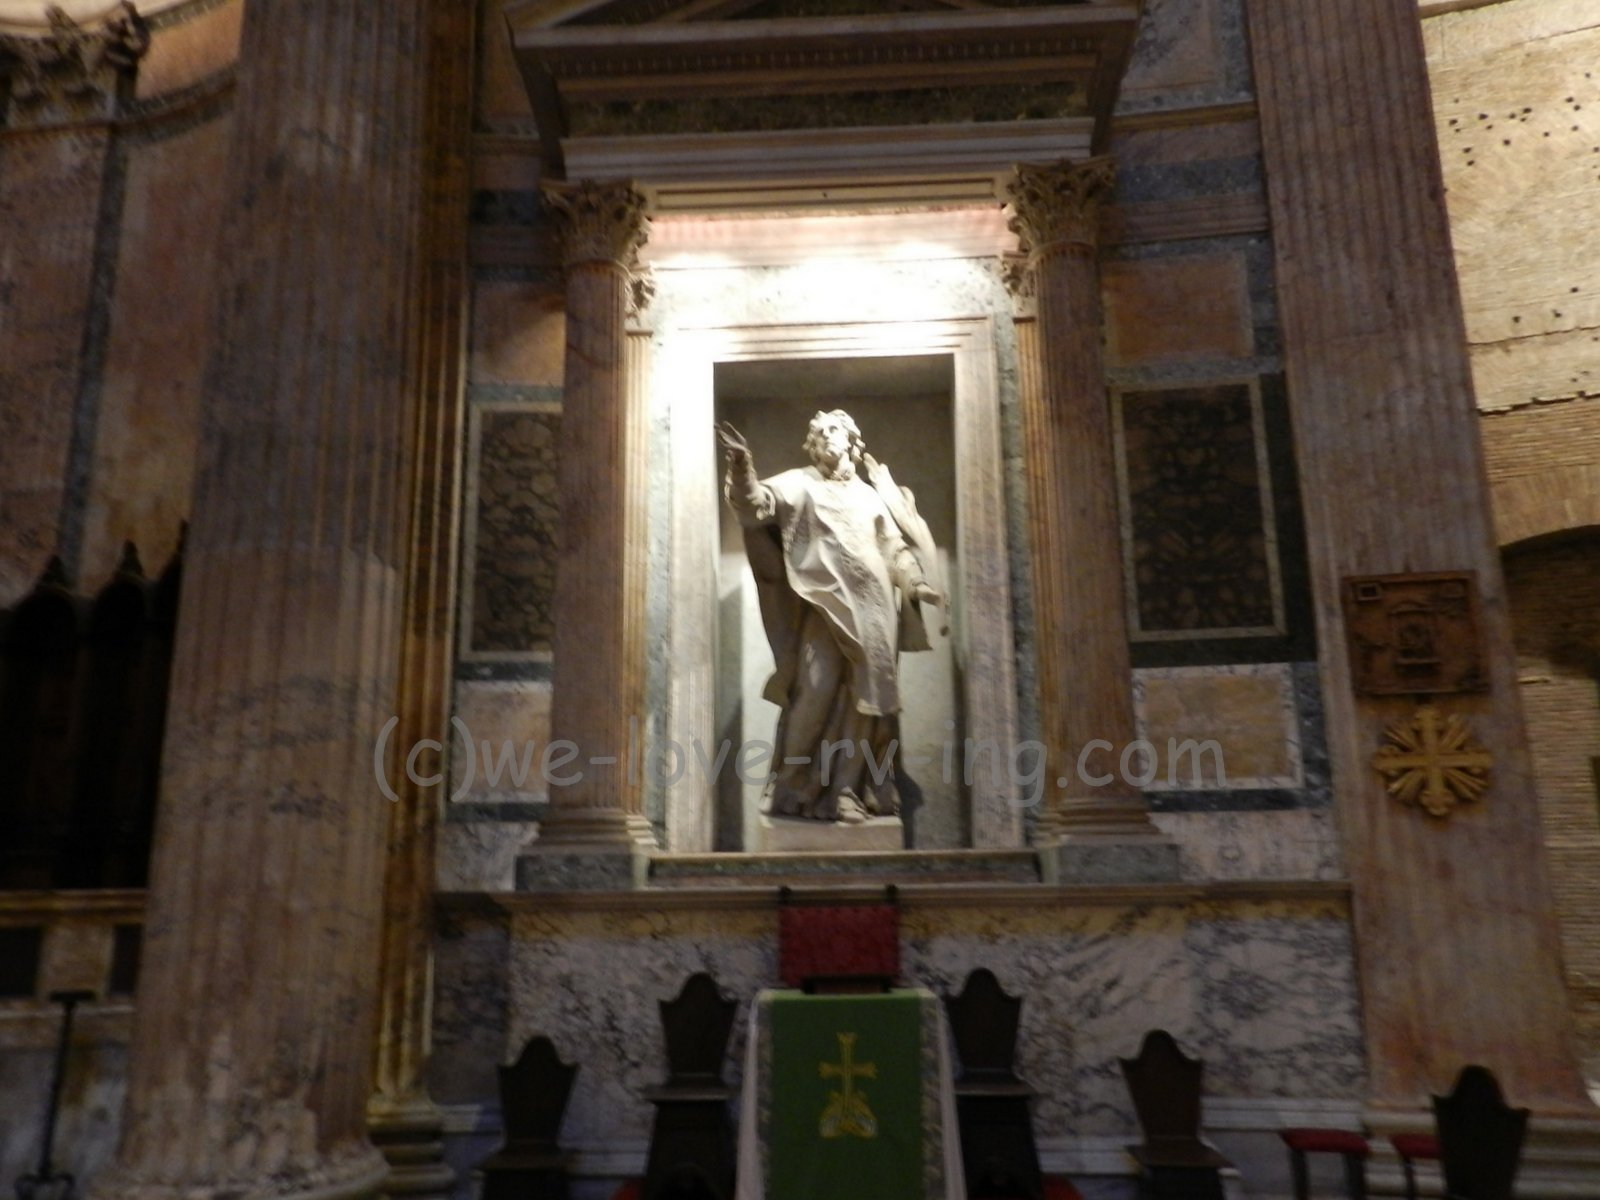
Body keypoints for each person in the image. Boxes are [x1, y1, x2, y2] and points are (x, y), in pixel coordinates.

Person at [718, 409, 943, 823]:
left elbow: (894, 550)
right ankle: (790, 782)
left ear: (852, 440)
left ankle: (847, 791)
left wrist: (916, 583)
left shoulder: (870, 496)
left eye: (833, 430)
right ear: (813, 448)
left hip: (875, 612)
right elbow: (753, 506)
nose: (825, 438)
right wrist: (741, 465)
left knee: (867, 706)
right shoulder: (799, 484)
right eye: (818, 434)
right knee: (814, 693)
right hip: (824, 606)